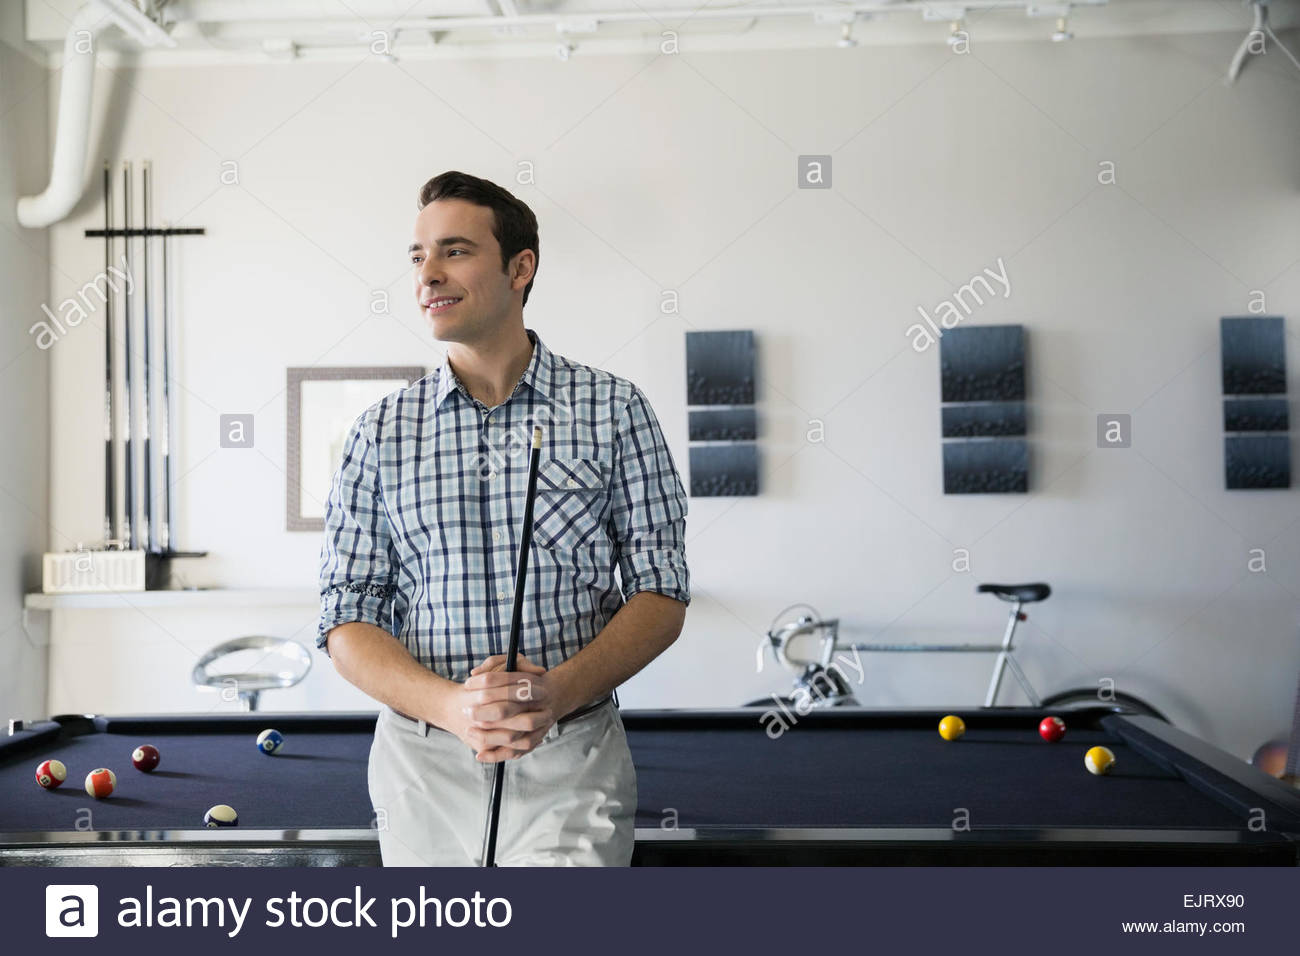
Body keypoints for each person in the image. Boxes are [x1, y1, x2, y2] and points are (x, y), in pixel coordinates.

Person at [316, 170, 690, 866]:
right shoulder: (378, 433)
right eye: (418, 256)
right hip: (422, 766)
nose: (428, 272)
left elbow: (661, 593)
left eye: (454, 251)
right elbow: (345, 618)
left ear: (521, 268)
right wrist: (454, 706)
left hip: (570, 758)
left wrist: (556, 694)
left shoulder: (615, 410)